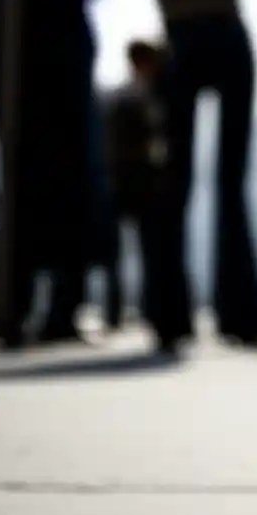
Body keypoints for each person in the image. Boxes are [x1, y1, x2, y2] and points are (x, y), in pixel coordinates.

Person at [0, 0, 105, 348]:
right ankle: (13, 302)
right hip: (34, 52)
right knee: (41, 190)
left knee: (52, 190)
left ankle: (38, 305)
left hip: (46, 48)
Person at [151, 0, 257, 352]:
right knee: (229, 185)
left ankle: (170, 316)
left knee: (174, 185)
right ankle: (240, 316)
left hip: (179, 31)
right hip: (219, 27)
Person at [102, 40, 170, 331]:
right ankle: (137, 309)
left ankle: (122, 311)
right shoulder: (144, 97)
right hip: (137, 181)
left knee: (126, 252)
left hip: (124, 181)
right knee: (141, 250)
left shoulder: (119, 96)